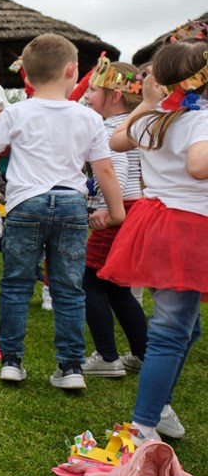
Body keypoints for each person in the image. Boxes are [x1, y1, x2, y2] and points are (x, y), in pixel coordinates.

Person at [0, 34, 125, 390]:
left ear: (25, 73)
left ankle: (11, 360)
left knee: (15, 284)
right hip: (72, 204)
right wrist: (117, 213)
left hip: (26, 203)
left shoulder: (15, 111)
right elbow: (103, 169)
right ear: (73, 71)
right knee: (69, 288)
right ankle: (70, 366)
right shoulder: (88, 117)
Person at [101, 39, 208, 443]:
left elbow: (117, 140)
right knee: (170, 330)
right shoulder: (200, 120)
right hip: (187, 230)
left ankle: (157, 406)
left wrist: (147, 103)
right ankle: (144, 425)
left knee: (184, 328)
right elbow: (199, 166)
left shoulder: (158, 119)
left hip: (159, 225)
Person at [80, 57, 147, 378]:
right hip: (136, 208)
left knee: (89, 281)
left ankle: (107, 357)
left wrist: (108, 212)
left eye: (93, 89)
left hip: (119, 211)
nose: (87, 95)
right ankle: (143, 353)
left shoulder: (108, 129)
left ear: (115, 95)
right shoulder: (133, 127)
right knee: (117, 286)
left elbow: (114, 172)